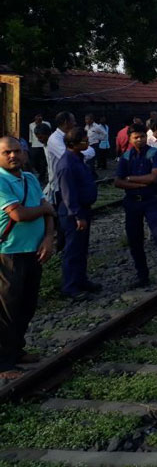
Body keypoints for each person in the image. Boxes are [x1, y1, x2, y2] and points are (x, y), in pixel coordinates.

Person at [0, 137, 55, 378]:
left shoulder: (30, 178)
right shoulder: (0, 180)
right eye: (6, 153)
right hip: (9, 252)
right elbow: (19, 214)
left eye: (16, 151)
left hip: (33, 251)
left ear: (24, 154)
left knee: (27, 304)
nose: (12, 156)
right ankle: (3, 362)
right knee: (7, 308)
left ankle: (17, 349)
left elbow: (48, 211)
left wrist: (48, 238)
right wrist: (44, 210)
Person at [114, 124, 157, 287]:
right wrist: (138, 183)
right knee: (135, 239)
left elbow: (154, 178)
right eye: (136, 137)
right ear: (130, 139)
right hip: (132, 203)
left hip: (151, 200)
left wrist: (129, 179)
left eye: (142, 136)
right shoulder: (126, 157)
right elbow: (117, 182)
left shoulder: (155, 154)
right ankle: (142, 275)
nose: (140, 140)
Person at [55, 127, 99, 300]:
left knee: (81, 248)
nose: (87, 142)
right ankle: (70, 286)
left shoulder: (79, 159)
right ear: (73, 144)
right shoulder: (66, 164)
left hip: (84, 209)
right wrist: (77, 216)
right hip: (74, 213)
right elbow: (68, 193)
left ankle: (81, 280)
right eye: (84, 140)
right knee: (72, 250)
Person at [27, 115, 48, 184]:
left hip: (43, 146)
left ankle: (42, 177)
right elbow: (31, 135)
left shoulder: (47, 124)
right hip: (34, 146)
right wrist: (30, 143)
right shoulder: (31, 125)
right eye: (37, 118)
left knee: (43, 162)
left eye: (40, 118)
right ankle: (37, 174)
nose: (38, 119)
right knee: (34, 161)